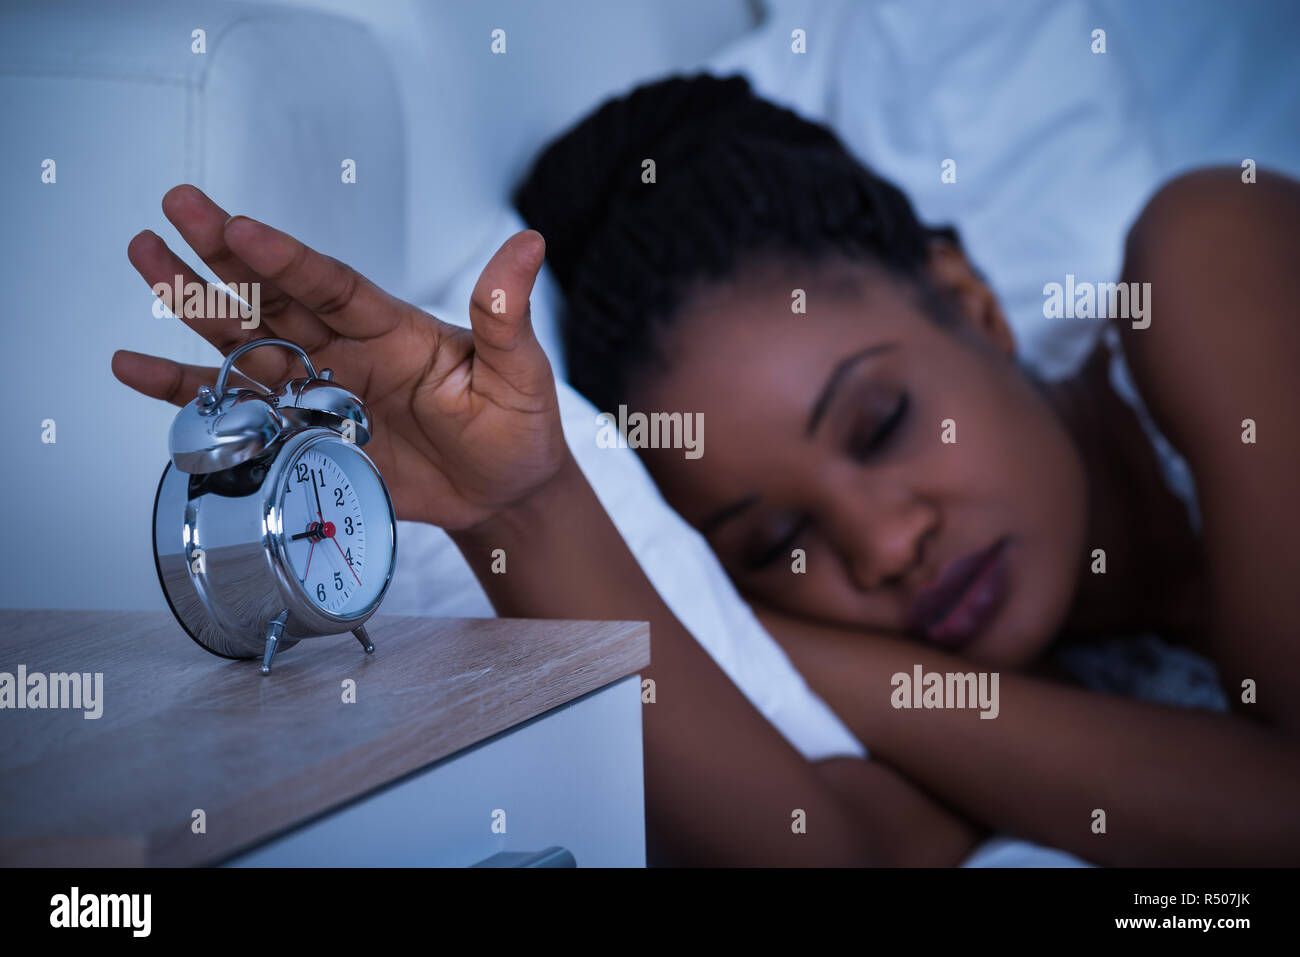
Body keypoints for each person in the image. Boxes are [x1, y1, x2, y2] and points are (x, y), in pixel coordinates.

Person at [113, 74, 1300, 866]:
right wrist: (521, 506)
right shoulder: (999, 694)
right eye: (770, 544)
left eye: (880, 422)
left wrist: (811, 648)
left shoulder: (1210, 254)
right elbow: (832, 855)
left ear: (971, 304)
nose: (885, 550)